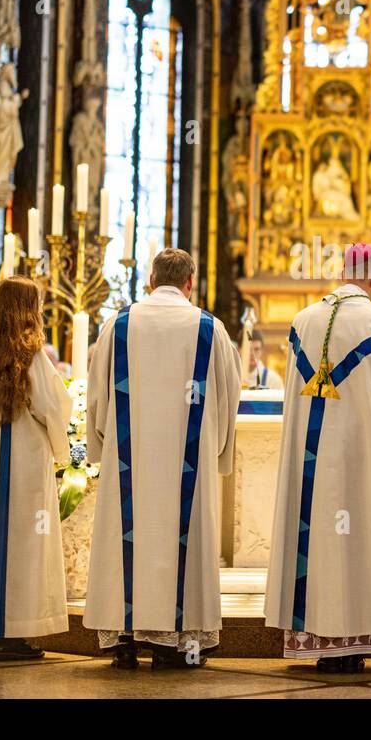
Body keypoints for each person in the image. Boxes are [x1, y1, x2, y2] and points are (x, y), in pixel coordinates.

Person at [265, 243, 371, 672]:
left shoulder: (302, 323)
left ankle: (321, 640)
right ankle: (357, 641)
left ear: (342, 272)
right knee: (363, 537)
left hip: (313, 463)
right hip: (364, 464)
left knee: (319, 538)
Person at [84, 249, 241, 669]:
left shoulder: (117, 325)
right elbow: (228, 399)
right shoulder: (210, 329)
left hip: (127, 464)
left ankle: (123, 640)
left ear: (150, 280)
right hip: (189, 465)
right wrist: (219, 452)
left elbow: (97, 397)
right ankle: (177, 644)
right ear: (190, 282)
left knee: (126, 539)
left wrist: (102, 444)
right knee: (183, 542)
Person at [0, 276, 71, 660]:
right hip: (23, 467)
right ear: (27, 309)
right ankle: (14, 634)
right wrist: (63, 451)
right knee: (24, 545)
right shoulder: (31, 356)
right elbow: (54, 407)